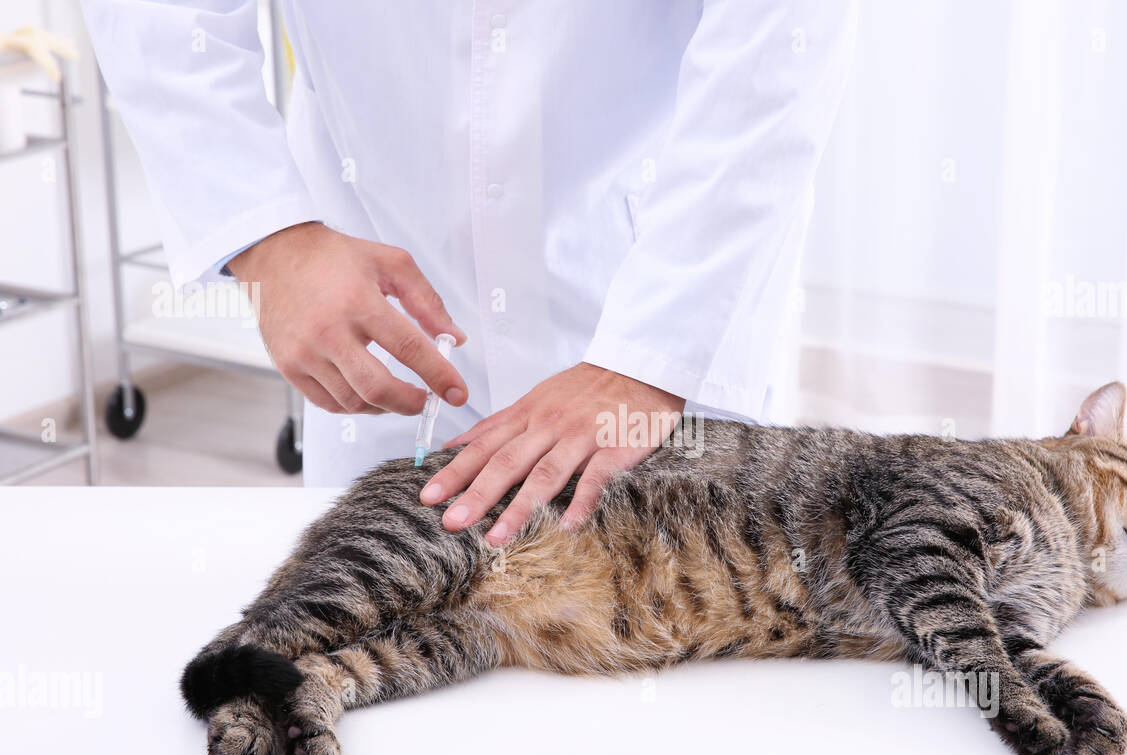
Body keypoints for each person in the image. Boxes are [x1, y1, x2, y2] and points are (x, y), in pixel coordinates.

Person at [83, 0, 856, 545]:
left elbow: (781, 36)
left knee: (669, 671)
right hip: (387, 298)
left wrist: (648, 359)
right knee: (385, 669)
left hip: (656, 286)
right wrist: (270, 238)